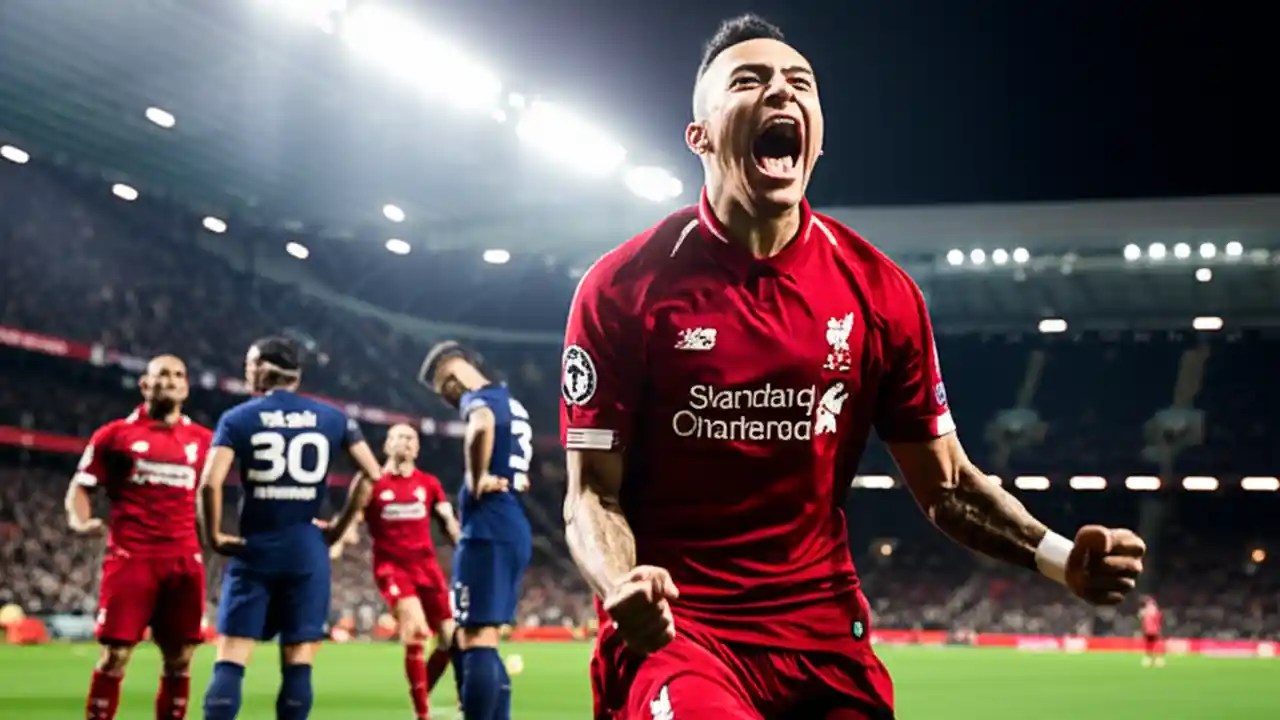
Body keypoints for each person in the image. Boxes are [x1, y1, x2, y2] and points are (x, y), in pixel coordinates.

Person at [560, 14, 1148, 720]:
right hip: (681, 630)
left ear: (818, 139)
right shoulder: (622, 289)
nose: (781, 92)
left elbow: (948, 487)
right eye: (748, 81)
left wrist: (1058, 556)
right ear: (701, 136)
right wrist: (621, 584)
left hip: (822, 633)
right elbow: (591, 495)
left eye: (799, 82)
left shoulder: (879, 292)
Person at [197, 336, 384, 720]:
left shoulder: (238, 418)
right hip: (306, 550)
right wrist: (339, 526)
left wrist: (213, 535)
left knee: (231, 657)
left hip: (255, 547)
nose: (246, 372)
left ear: (262, 369)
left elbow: (209, 483)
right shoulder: (333, 417)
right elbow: (372, 473)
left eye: (249, 364)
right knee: (298, 661)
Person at [68, 354, 212, 720]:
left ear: (186, 387)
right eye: (162, 374)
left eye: (178, 375)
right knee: (116, 654)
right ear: (145, 384)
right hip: (132, 557)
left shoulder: (204, 441)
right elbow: (81, 486)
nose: (170, 380)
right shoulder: (115, 435)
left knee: (180, 658)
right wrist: (80, 520)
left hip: (183, 559)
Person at [419, 341, 534, 720]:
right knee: (484, 638)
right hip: (511, 522)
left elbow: (481, 422)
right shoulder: (512, 403)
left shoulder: (479, 399)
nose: (447, 396)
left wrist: (477, 476)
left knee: (474, 638)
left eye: (443, 387)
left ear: (453, 373)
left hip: (487, 525)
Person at [356, 423, 462, 720]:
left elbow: (448, 522)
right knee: (415, 630)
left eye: (412, 438)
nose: (407, 442)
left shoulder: (428, 484)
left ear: (418, 448)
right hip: (393, 568)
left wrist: (465, 545)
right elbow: (353, 519)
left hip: (427, 568)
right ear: (387, 445)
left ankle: (433, 693)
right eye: (400, 436)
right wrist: (337, 539)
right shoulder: (373, 484)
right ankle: (422, 713)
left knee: (450, 638)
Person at [1139, 595, 1165, 667]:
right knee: (1154, 645)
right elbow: (1159, 620)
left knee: (1151, 645)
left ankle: (1151, 660)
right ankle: (1156, 660)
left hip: (1150, 630)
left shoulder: (1145, 611)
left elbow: (1143, 620)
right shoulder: (1154, 611)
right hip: (1152, 630)